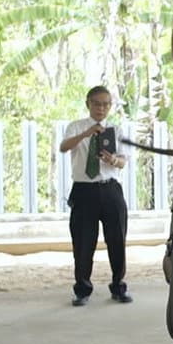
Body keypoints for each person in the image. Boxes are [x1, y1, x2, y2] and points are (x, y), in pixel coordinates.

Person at [59, 85, 132, 306]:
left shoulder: (115, 130)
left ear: (110, 106)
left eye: (106, 104)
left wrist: (112, 160)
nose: (101, 108)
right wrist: (87, 134)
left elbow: (123, 162)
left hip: (110, 188)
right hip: (84, 190)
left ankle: (118, 287)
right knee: (83, 242)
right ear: (88, 104)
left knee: (117, 239)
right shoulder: (76, 127)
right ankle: (82, 289)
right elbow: (64, 147)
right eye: (97, 103)